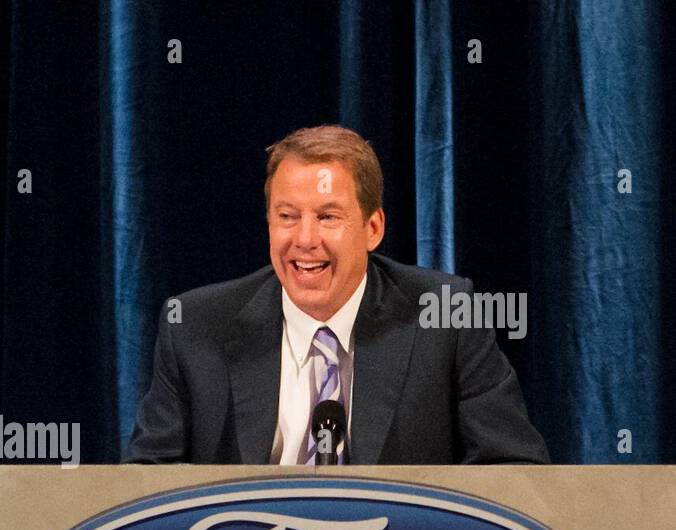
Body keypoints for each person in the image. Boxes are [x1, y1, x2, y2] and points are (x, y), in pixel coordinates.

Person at [124, 125, 549, 465]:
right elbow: (144, 488)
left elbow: (512, 470)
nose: (305, 240)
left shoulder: (448, 315)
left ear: (373, 228)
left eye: (328, 217)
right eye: (287, 216)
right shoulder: (198, 326)